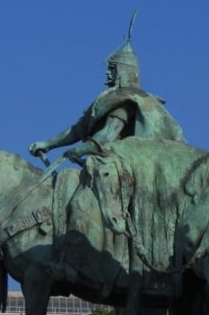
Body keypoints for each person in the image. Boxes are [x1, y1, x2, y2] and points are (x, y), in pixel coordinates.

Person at [28, 15, 185, 233]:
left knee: (80, 203)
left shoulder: (126, 100)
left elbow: (106, 137)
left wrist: (79, 149)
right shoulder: (115, 98)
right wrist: (48, 143)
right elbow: (78, 129)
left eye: (111, 69)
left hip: (123, 171)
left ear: (122, 71)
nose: (107, 73)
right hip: (114, 167)